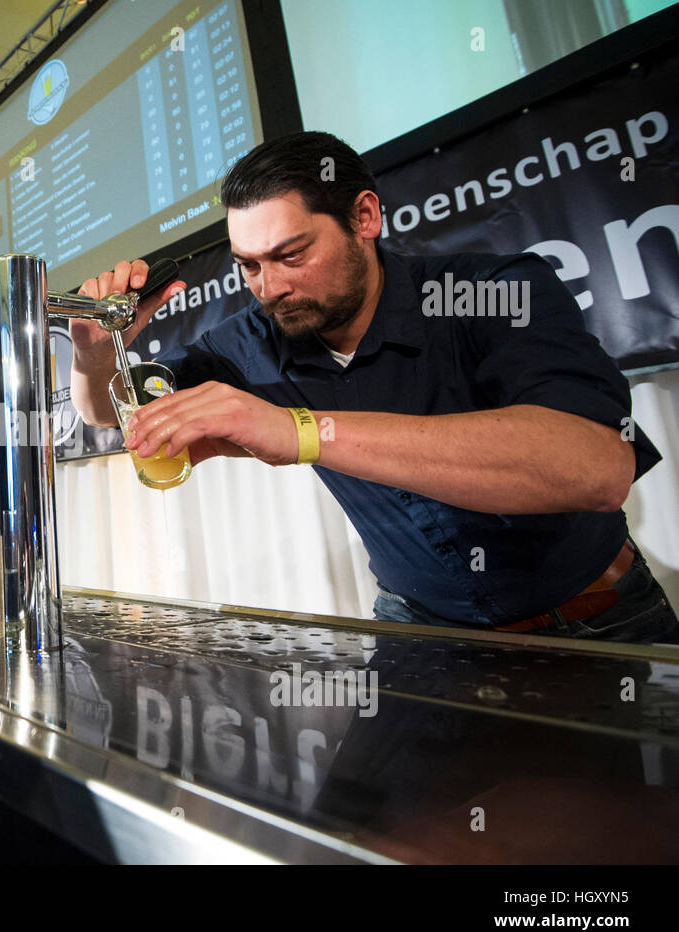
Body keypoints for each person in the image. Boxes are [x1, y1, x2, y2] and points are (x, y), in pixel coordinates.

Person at [71, 131, 676, 643]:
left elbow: (595, 469)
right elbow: (110, 412)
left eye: (291, 254)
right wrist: (95, 357)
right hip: (417, 631)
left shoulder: (492, 294)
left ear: (364, 217)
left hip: (597, 621)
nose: (269, 287)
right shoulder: (249, 340)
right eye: (248, 265)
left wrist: (302, 431)